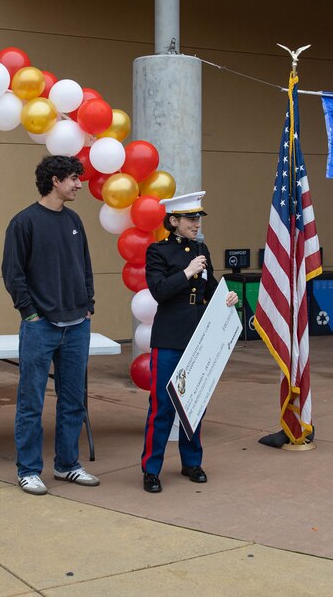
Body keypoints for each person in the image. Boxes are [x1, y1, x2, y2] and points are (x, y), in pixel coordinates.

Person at [2, 155, 98, 495]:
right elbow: (13, 274)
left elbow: (84, 266)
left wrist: (88, 304)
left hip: (77, 326)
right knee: (31, 402)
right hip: (40, 327)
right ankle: (28, 470)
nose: (79, 184)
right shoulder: (24, 222)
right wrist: (29, 313)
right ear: (55, 180)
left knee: (73, 400)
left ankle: (67, 465)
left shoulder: (74, 221)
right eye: (73, 178)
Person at [140, 191, 238, 493]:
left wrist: (226, 298)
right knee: (162, 406)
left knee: (194, 404)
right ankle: (151, 469)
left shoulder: (201, 248)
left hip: (200, 336)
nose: (196, 224)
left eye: (198, 218)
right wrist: (187, 271)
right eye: (191, 219)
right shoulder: (158, 251)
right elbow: (158, 291)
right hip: (170, 336)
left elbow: (208, 288)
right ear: (174, 221)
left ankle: (191, 462)